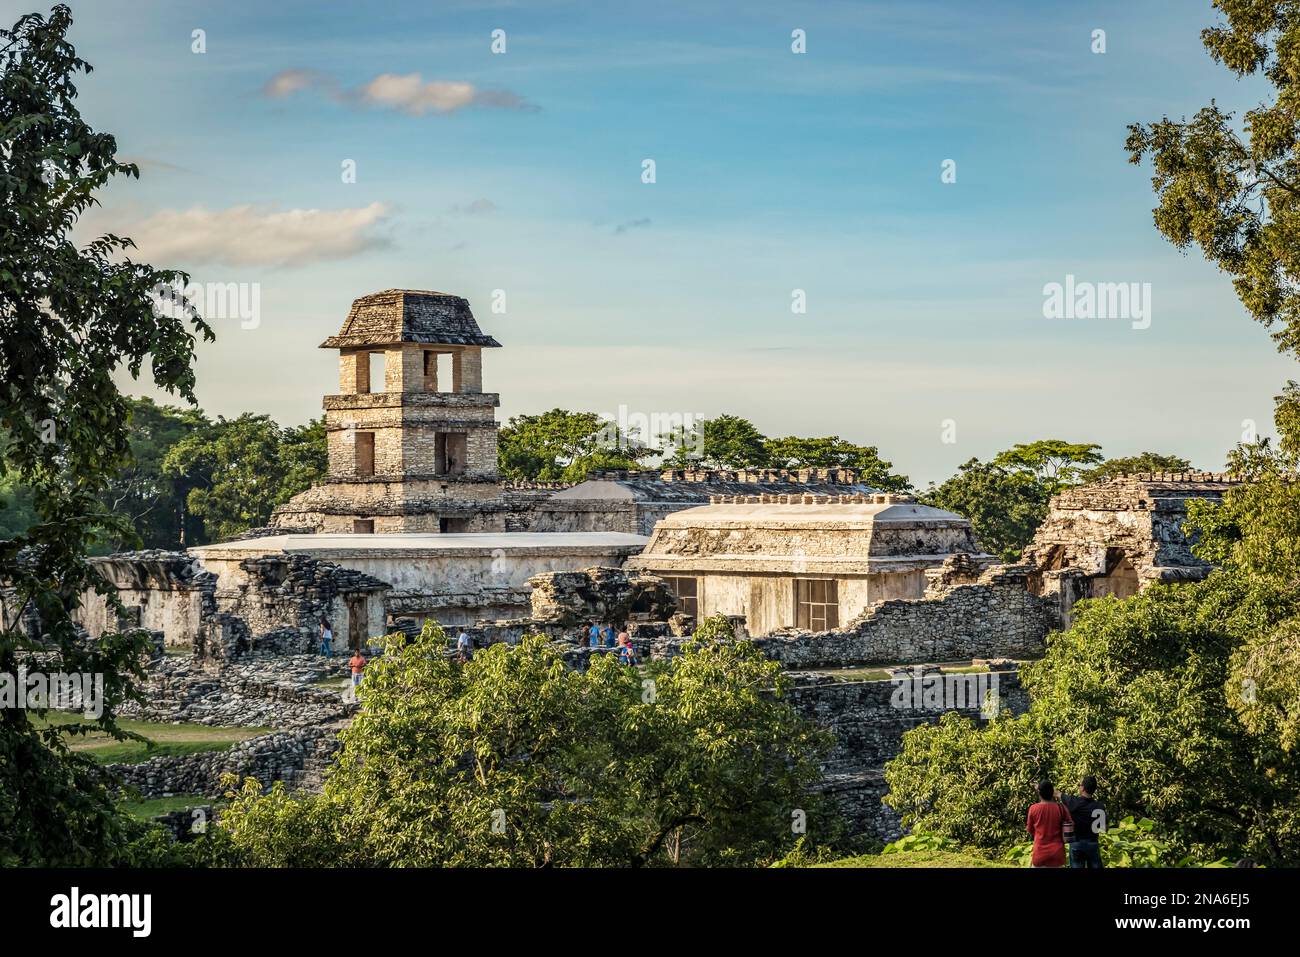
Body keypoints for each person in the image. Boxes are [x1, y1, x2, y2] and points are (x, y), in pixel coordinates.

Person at [1061, 775, 1106, 868]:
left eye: (1080, 785)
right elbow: (1104, 828)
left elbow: (1057, 794)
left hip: (1076, 843)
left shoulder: (1073, 802)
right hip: (1092, 843)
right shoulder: (1099, 806)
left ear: (1083, 788)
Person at [1026, 779, 1072, 868]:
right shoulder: (1062, 808)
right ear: (1052, 793)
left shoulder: (1033, 808)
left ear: (1039, 793)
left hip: (1039, 853)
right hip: (1057, 854)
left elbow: (1030, 829)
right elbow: (1069, 829)